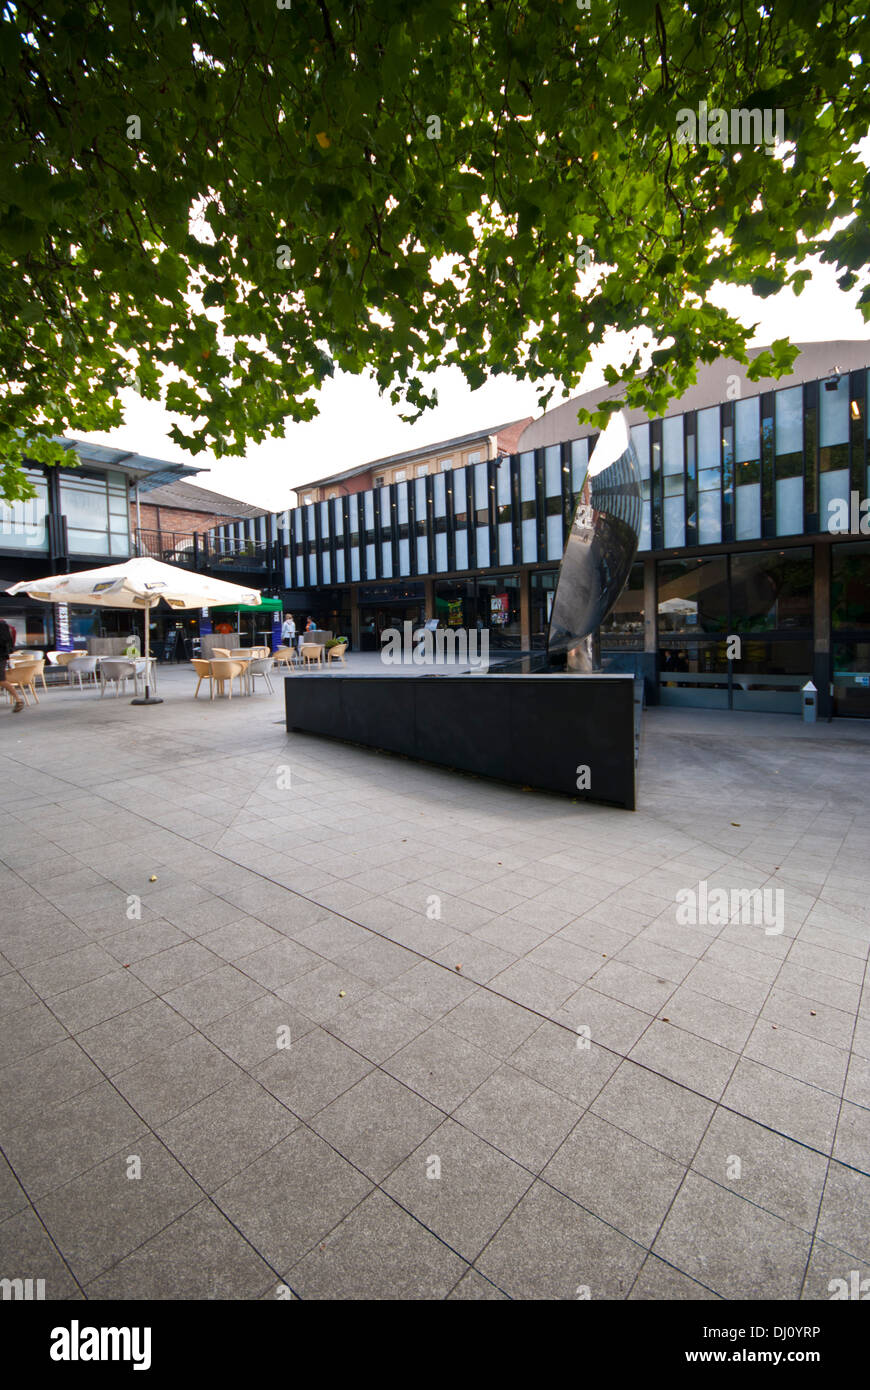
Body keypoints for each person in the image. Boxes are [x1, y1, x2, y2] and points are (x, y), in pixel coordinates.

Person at [0, 618, 24, 713]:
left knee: (2, 680)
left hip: (1, 657)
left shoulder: (2, 625)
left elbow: (3, 642)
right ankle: (18, 700)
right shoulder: (4, 625)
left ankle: (18, 700)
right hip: (3, 656)